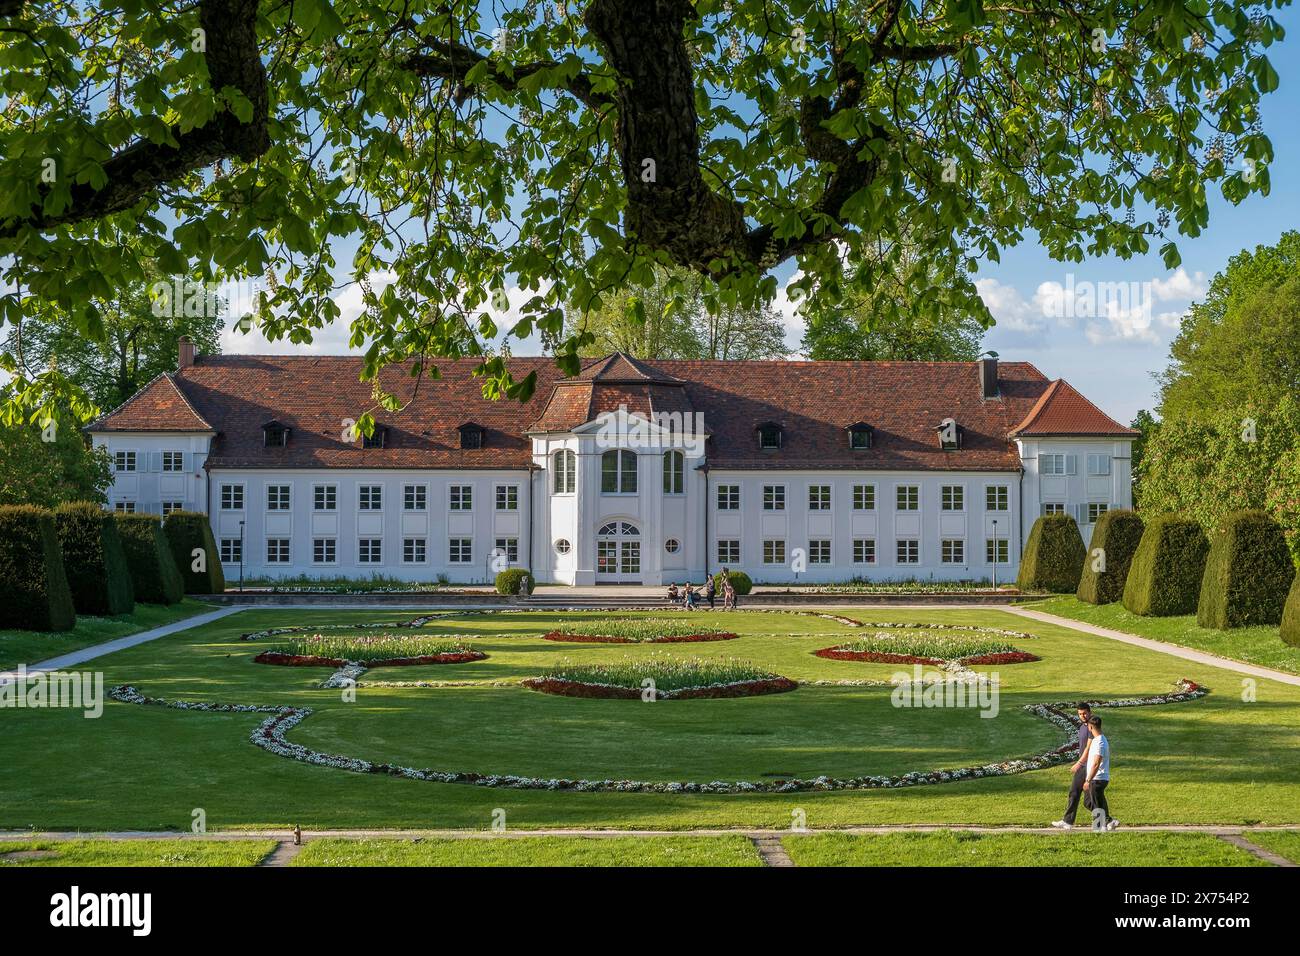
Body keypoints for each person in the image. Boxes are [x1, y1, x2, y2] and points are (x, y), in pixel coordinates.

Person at [1051, 703, 1095, 829]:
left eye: (1085, 713)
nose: (1083, 716)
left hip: (1088, 766)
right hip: (1083, 765)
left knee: (1080, 795)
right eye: (1080, 714)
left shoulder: (1092, 727)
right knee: (1083, 799)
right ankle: (1106, 820)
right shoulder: (1082, 727)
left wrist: (1079, 763)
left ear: (1090, 712)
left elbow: (1089, 747)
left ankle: (1068, 821)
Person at [1082, 715, 1117, 830]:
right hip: (1096, 778)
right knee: (1089, 802)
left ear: (1090, 727)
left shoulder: (1100, 742)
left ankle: (1099, 828)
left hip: (1098, 778)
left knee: (1096, 804)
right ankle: (1109, 821)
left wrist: (1088, 780)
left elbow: (1096, 763)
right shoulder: (1098, 740)